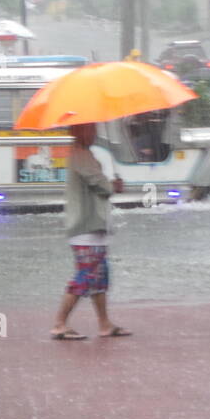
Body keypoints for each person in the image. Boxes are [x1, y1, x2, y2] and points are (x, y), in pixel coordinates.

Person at [51, 122, 130, 340]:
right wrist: (114, 185)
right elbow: (100, 185)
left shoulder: (86, 154)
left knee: (100, 278)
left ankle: (105, 324)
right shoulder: (80, 156)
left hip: (94, 228)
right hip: (85, 228)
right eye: (89, 129)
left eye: (94, 129)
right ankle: (59, 323)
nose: (93, 133)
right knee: (85, 277)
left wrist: (111, 184)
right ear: (77, 131)